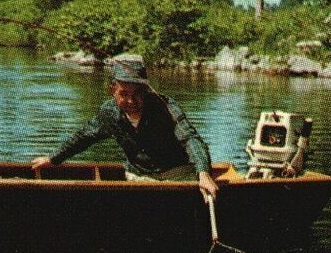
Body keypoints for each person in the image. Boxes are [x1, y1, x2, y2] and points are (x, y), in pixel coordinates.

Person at [31, 55, 219, 201]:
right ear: (112, 90)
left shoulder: (166, 107)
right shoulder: (109, 113)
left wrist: (203, 173)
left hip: (176, 175)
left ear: (146, 90)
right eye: (124, 94)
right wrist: (53, 158)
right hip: (140, 178)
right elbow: (84, 136)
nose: (131, 100)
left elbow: (191, 139)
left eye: (137, 94)